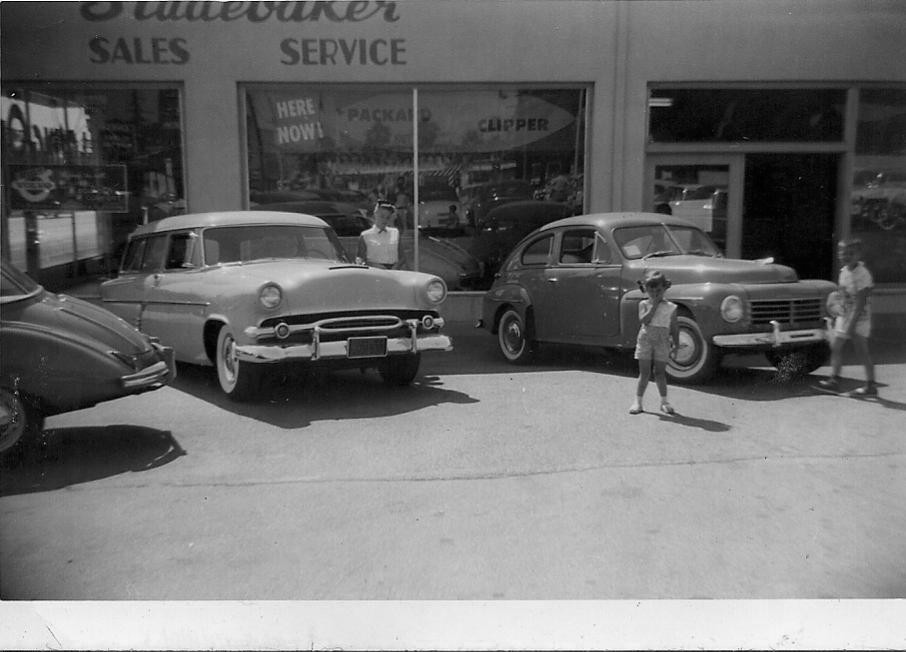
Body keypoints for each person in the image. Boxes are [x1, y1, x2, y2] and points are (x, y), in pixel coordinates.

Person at [819, 238, 877, 395]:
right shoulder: (843, 272)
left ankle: (871, 385)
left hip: (859, 319)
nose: (846, 256)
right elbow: (842, 295)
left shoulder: (863, 275)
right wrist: (836, 308)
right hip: (844, 317)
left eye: (851, 253)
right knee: (835, 347)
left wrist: (851, 325)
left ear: (859, 254)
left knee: (861, 351)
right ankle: (834, 380)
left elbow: (860, 303)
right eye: (843, 253)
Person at [630, 270, 679, 415]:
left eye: (658, 290)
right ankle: (638, 401)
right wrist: (655, 305)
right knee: (644, 373)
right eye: (651, 290)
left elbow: (675, 327)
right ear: (645, 289)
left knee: (659, 373)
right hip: (646, 340)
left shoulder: (671, 307)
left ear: (664, 288)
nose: (655, 293)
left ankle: (664, 401)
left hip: (662, 341)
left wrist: (676, 344)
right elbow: (644, 320)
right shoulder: (643, 304)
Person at [355, 200, 406, 270]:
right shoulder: (365, 235)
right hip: (374, 271)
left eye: (388, 217)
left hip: (394, 271)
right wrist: (372, 265)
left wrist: (396, 266)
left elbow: (402, 257)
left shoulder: (395, 233)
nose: (384, 220)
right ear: (375, 214)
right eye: (382, 216)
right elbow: (360, 259)